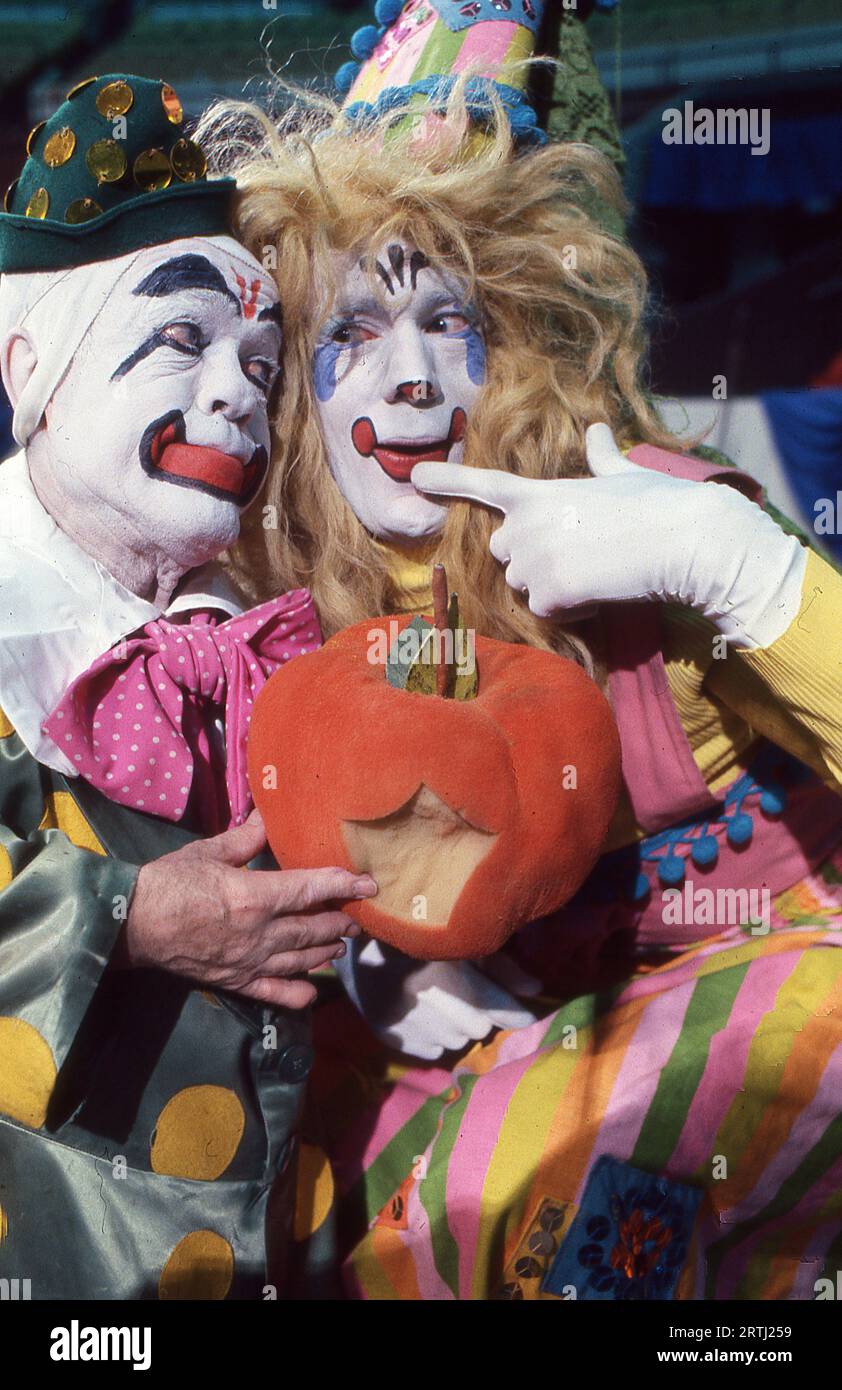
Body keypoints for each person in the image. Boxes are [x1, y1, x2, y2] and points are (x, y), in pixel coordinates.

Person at [204, 0, 842, 1301]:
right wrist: (370, 951)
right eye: (352, 332)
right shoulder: (279, 581)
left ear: (525, 340)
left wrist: (729, 565)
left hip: (742, 995)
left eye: (448, 320)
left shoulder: (650, 502)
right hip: (479, 1039)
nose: (409, 379)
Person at [0, 72, 381, 1300]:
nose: (236, 393)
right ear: (29, 366)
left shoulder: (270, 643)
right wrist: (126, 914)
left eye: (260, 360)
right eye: (181, 338)